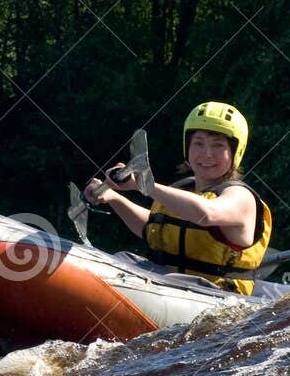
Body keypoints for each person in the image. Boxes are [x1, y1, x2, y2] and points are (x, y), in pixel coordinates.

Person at [83, 102, 273, 294]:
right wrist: (113, 197)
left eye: (218, 145)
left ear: (235, 152)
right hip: (166, 285)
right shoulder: (184, 190)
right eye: (198, 143)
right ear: (187, 147)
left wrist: (145, 185)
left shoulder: (240, 197)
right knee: (123, 259)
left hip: (215, 297)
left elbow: (205, 213)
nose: (207, 154)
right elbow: (151, 227)